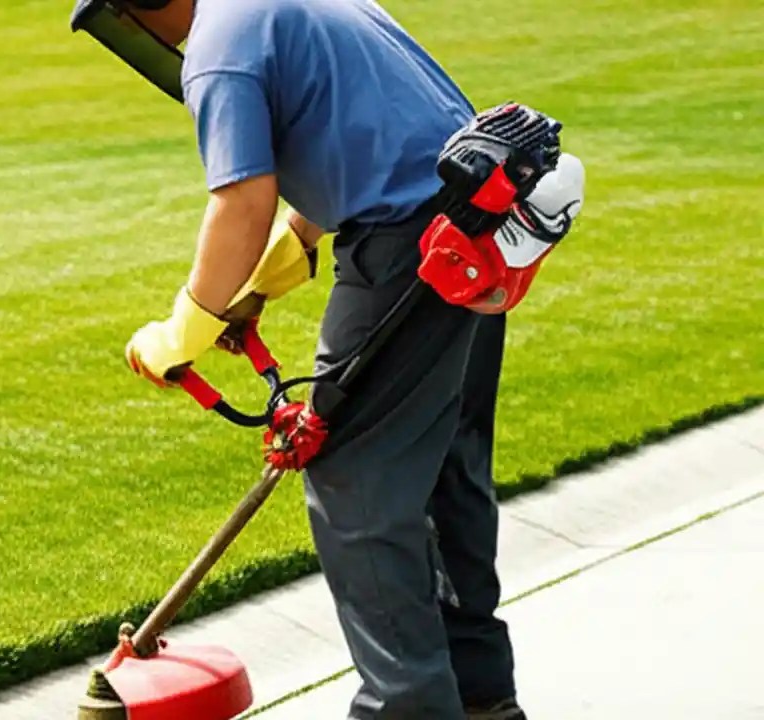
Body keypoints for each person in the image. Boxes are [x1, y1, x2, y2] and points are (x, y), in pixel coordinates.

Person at [71, 0, 584, 718]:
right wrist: (263, 283)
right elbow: (365, 139)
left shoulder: (220, 44)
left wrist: (178, 334)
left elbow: (243, 202)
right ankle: (480, 694)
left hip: (411, 251)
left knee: (357, 489)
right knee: (443, 469)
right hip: (478, 234)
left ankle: (407, 706)